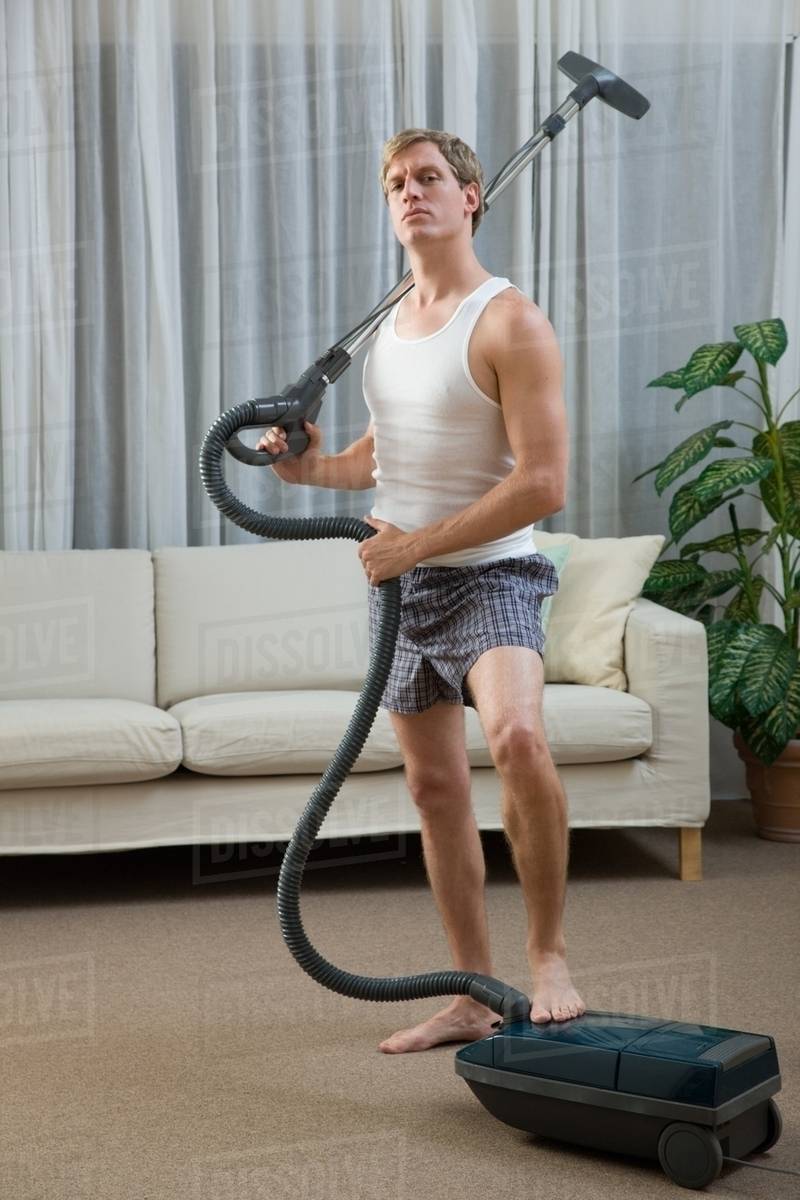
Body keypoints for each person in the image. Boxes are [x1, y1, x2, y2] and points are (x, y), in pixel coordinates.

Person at [259, 127, 585, 1054]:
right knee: (435, 787)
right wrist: (308, 471)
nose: (412, 192)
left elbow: (543, 482)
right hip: (404, 588)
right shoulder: (393, 325)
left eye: (431, 177)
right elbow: (380, 462)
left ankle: (549, 954)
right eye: (397, 182)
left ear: (471, 196)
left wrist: (417, 549)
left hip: (493, 572)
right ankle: (472, 993)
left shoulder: (509, 319)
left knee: (518, 736)